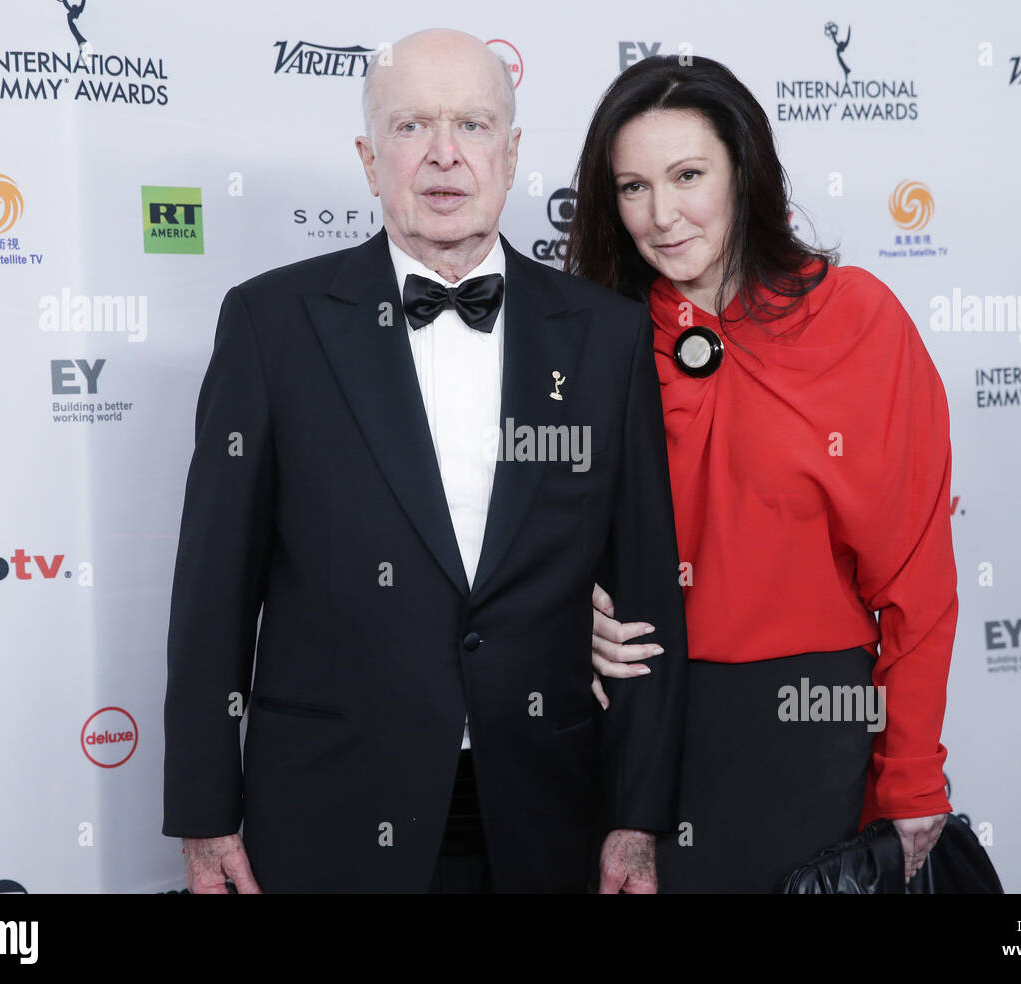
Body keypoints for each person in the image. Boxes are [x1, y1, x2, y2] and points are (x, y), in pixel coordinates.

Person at [161, 29, 687, 893]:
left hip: (549, 805)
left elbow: (645, 590)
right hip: (328, 797)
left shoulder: (607, 335)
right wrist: (203, 810)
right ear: (370, 161)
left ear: (511, 154)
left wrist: (639, 814)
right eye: (412, 127)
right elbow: (214, 588)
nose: (445, 153)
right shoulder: (272, 324)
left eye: (474, 125)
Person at [566, 54, 956, 892]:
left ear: (746, 172)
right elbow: (526, 545)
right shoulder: (593, 339)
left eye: (688, 175)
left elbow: (917, 576)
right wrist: (571, 617)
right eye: (633, 187)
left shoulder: (858, 319)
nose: (661, 215)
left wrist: (914, 774)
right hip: (637, 733)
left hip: (816, 723)